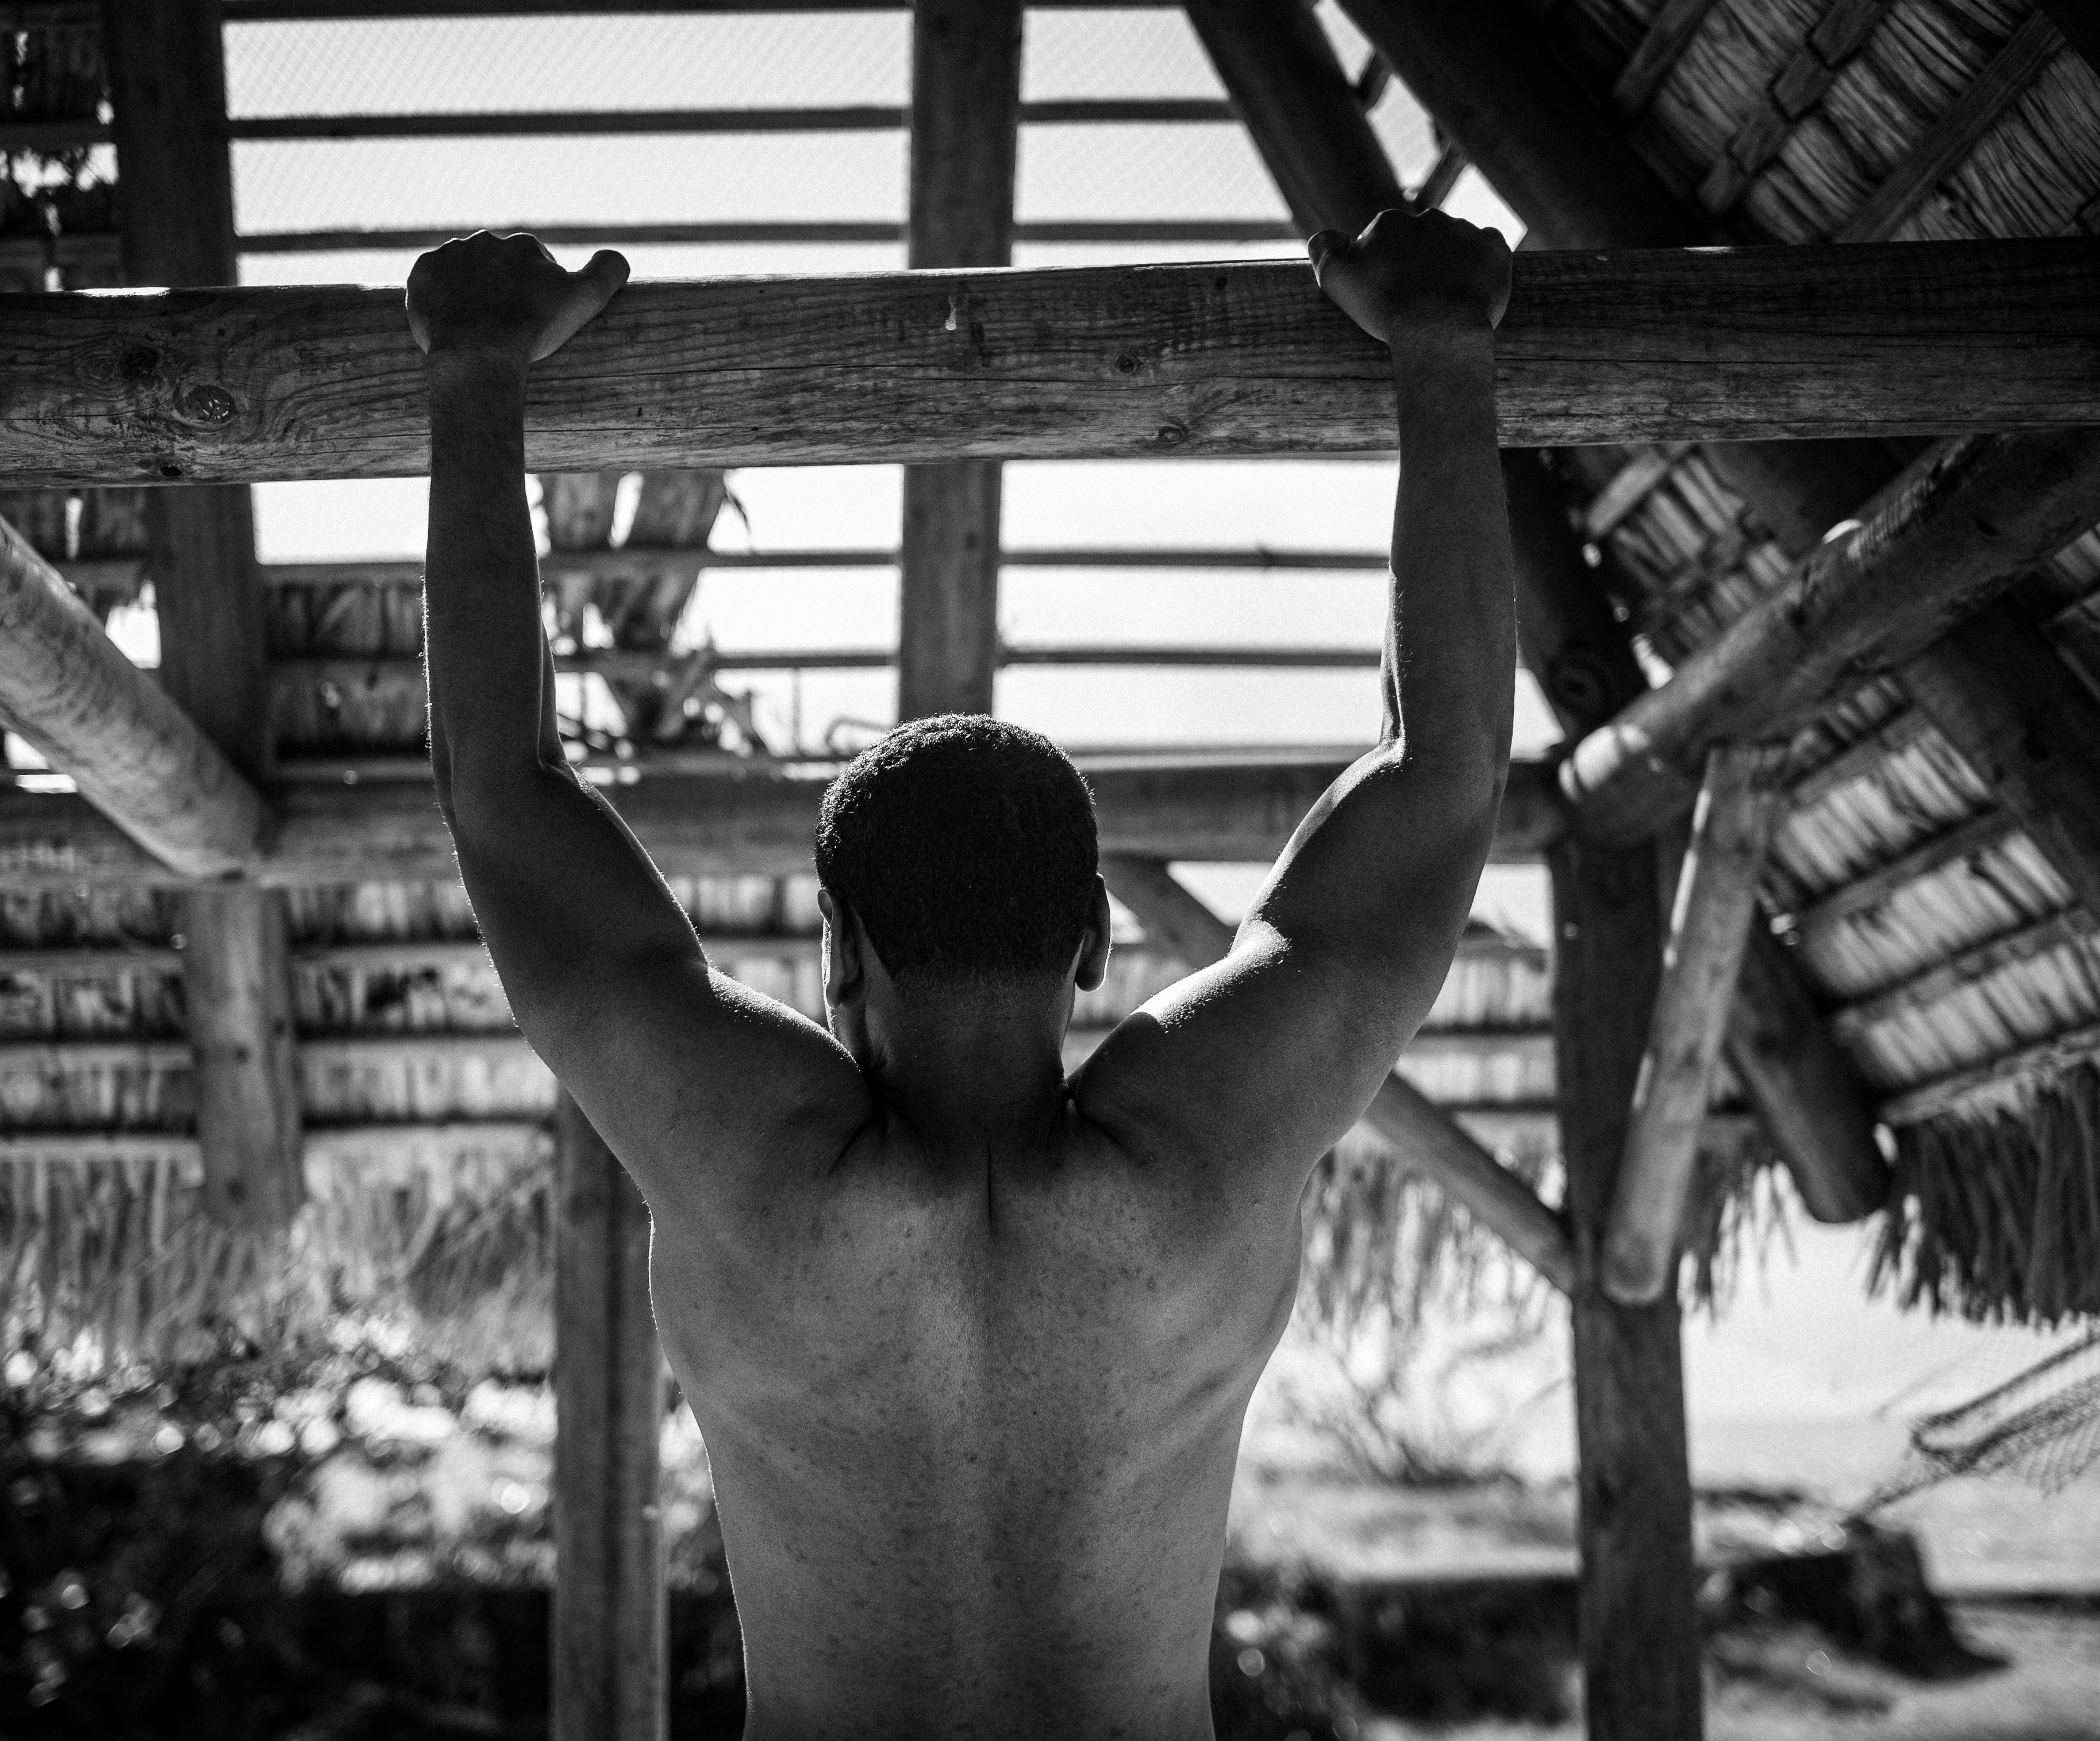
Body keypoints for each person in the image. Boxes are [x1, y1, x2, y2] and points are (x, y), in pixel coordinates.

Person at [408, 206, 1516, 1739]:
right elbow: (1442, 773)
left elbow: (503, 790)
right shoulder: (1204, 1156)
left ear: (836, 953)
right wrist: (1445, 352)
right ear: (1094, 941)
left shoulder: (748, 1164)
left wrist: (475, 374)